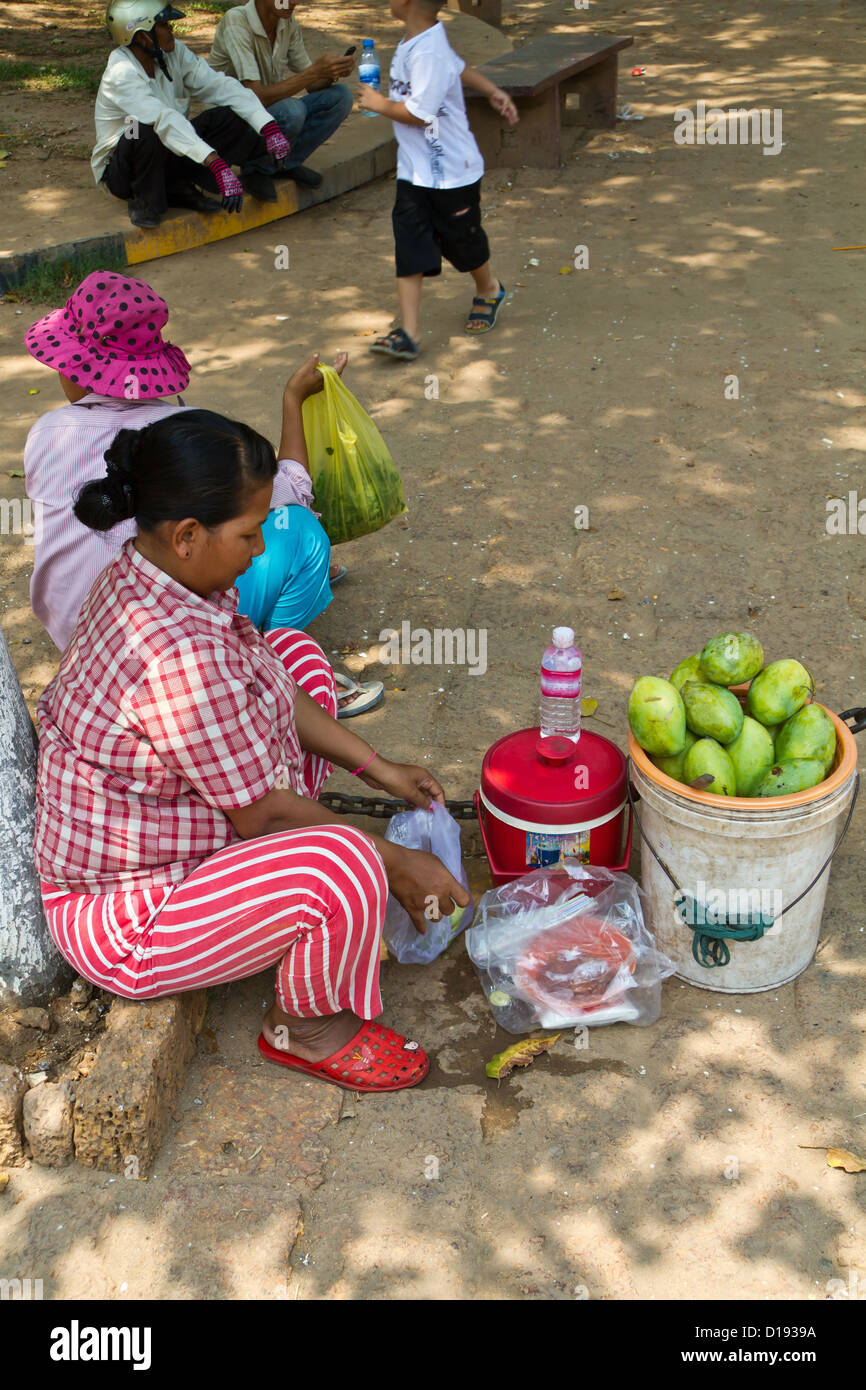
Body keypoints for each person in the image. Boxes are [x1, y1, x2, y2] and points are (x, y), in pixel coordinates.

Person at [35, 408, 469, 1092]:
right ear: (186, 536)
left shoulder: (159, 574)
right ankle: (307, 1027)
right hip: (132, 913)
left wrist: (378, 769)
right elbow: (259, 817)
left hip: (188, 819)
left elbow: (269, 681)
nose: (263, 546)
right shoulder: (177, 658)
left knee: (294, 653)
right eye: (250, 531)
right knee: (346, 864)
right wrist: (395, 863)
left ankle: (302, 872)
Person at [23, 269, 383, 715]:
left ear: (72, 366)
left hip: (79, 638)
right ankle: (273, 670)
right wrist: (295, 400)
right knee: (302, 530)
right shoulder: (188, 434)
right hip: (160, 651)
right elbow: (294, 490)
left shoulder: (46, 433)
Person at [361, 0, 518, 360]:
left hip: (453, 172)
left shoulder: (427, 50)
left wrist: (378, 103)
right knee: (409, 244)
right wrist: (492, 89)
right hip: (414, 172)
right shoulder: (420, 38)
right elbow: (458, 67)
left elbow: (420, 114)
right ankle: (409, 333)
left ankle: (489, 288)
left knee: (462, 242)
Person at [94, 0, 292, 228]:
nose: (171, 30)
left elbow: (218, 84)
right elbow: (163, 119)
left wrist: (268, 126)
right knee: (141, 130)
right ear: (141, 36)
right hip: (123, 173)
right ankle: (143, 200)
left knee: (228, 117)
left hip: (166, 151)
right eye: (164, 25)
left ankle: (177, 186)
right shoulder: (121, 73)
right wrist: (215, 163)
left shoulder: (172, 53)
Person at [210, 0, 355, 189]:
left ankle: (284, 163)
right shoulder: (236, 22)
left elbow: (312, 84)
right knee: (292, 110)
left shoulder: (286, 22)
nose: (293, 2)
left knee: (340, 97)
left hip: (266, 113)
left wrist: (331, 72)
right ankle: (256, 168)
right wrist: (315, 71)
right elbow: (256, 96)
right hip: (233, 124)